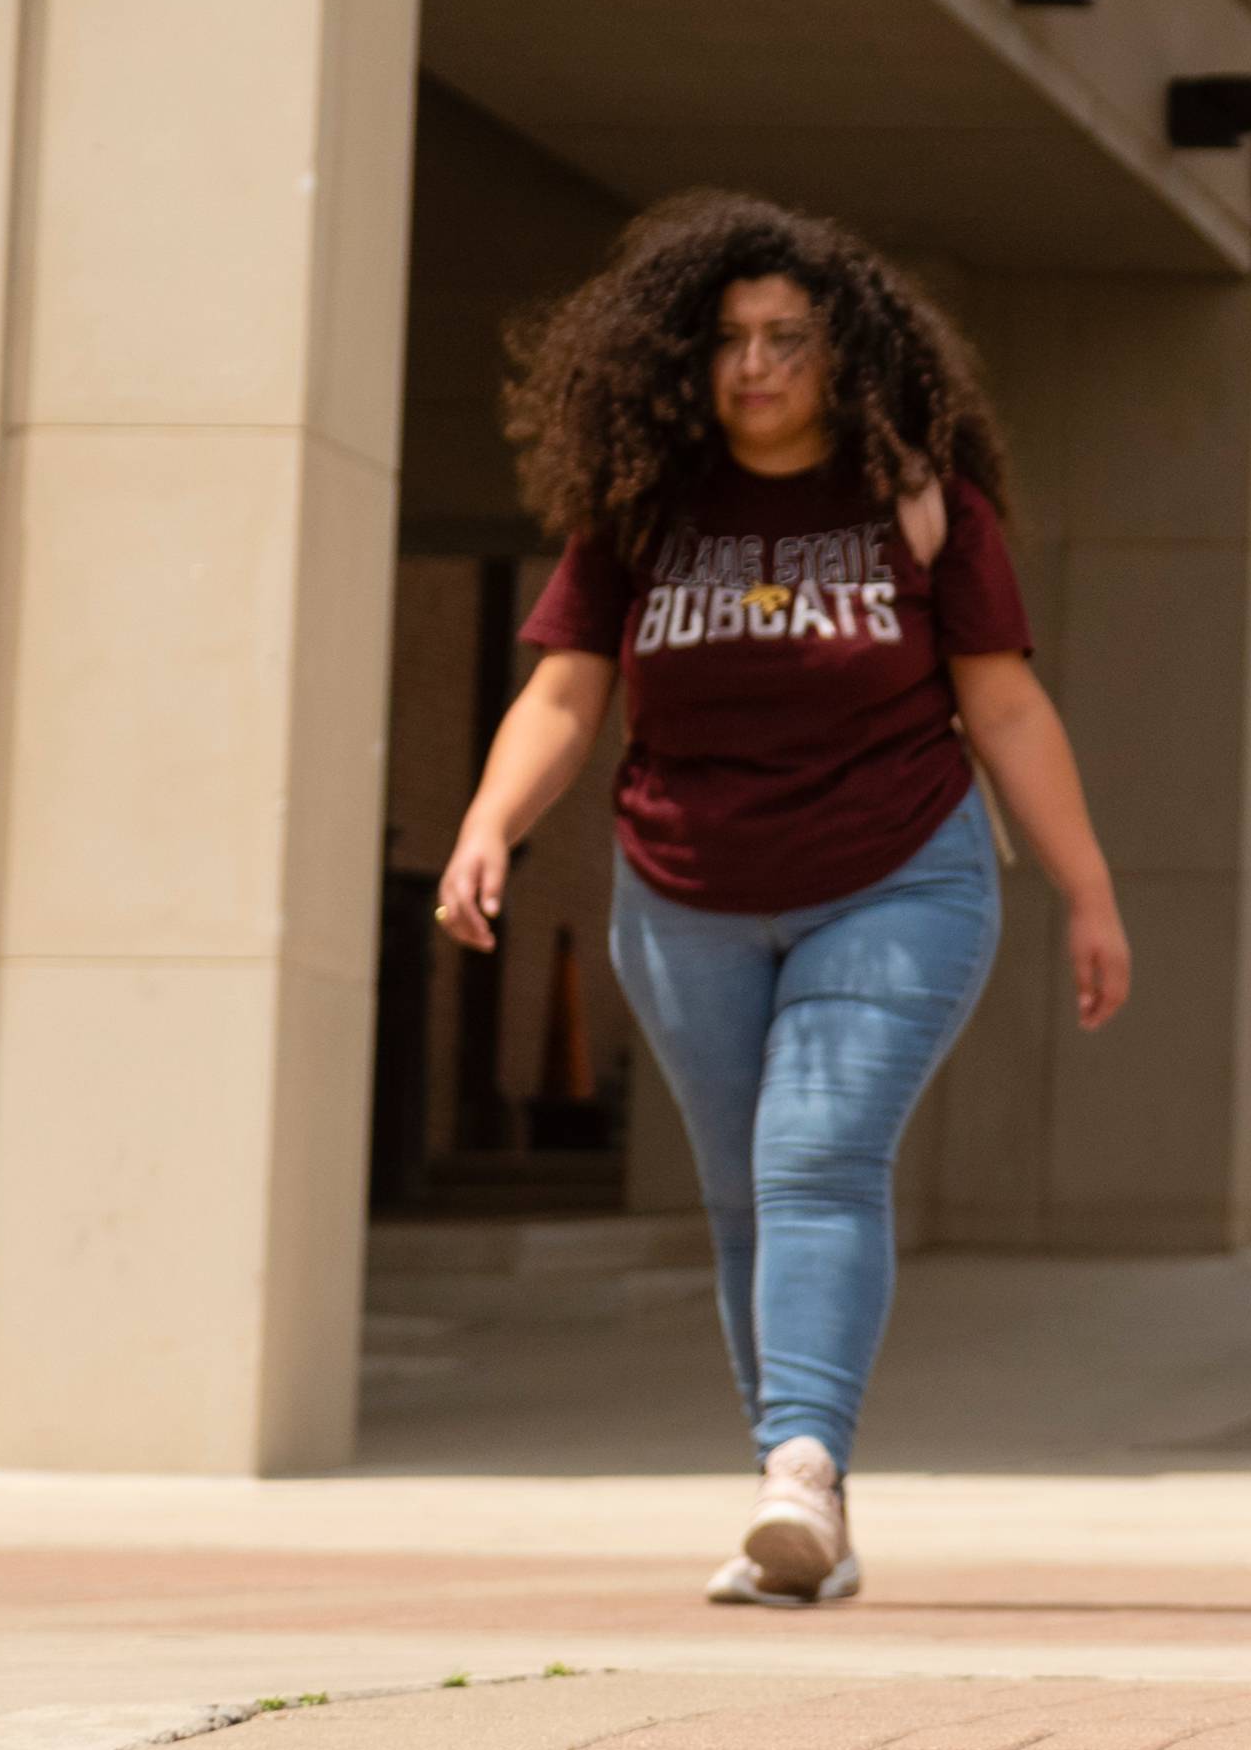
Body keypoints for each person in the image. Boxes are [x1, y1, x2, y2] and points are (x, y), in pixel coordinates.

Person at [438, 195, 1129, 1611]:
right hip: (682, 884)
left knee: (814, 1155)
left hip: (897, 873)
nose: (754, 364)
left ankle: (799, 1468)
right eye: (729, 339)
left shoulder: (921, 503)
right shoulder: (645, 508)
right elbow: (568, 689)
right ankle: (803, 1483)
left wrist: (1088, 890)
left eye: (786, 338)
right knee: (746, 1189)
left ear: (846, 355)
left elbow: (1000, 700)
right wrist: (489, 825)